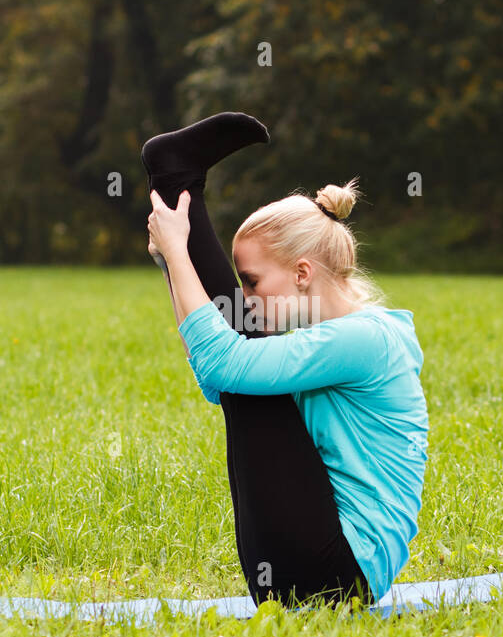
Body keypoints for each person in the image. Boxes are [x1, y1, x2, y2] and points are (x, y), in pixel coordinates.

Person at [142, 112, 429, 611]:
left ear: (302, 272)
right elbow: (221, 384)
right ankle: (176, 176)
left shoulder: (365, 340)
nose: (245, 297)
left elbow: (223, 367)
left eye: (252, 282)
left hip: (334, 575)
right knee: (244, 377)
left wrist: (179, 253)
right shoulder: (328, 341)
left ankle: (178, 178)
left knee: (241, 365)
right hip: (302, 572)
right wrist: (174, 266)